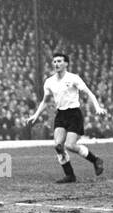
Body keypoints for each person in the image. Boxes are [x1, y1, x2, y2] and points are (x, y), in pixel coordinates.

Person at [26, 52, 107, 182]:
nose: (56, 64)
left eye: (59, 61)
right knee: (58, 146)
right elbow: (45, 101)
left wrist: (97, 107)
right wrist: (36, 115)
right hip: (61, 114)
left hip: (74, 114)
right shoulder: (49, 82)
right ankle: (70, 175)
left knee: (70, 145)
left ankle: (95, 160)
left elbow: (88, 93)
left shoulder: (74, 78)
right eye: (55, 62)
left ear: (66, 64)